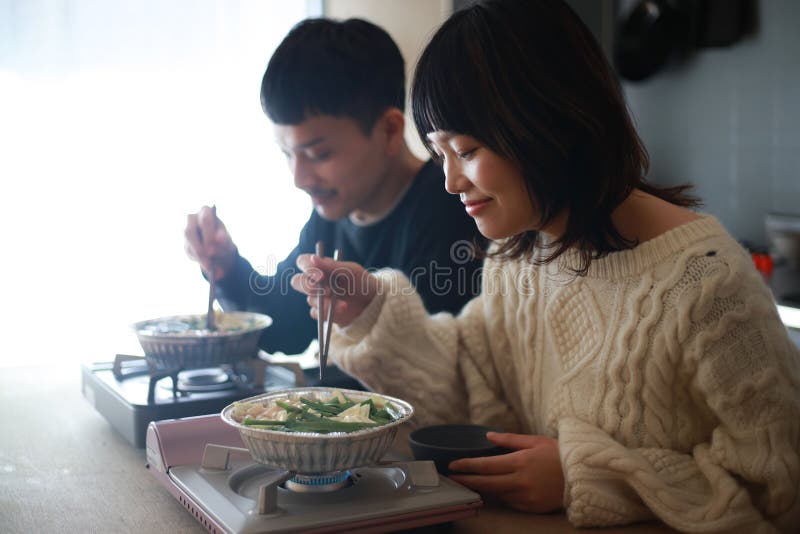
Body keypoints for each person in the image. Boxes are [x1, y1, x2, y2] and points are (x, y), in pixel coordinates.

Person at [290, 0, 800, 531]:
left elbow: (779, 491)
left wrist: (589, 477)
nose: (451, 182)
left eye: (467, 150)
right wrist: (369, 311)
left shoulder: (705, 282)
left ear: (545, 120)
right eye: (441, 155)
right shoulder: (521, 255)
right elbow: (472, 388)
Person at [184, 18, 485, 388]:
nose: (299, 178)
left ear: (390, 131)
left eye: (319, 154)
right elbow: (283, 327)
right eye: (287, 154)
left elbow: (440, 377)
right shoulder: (331, 216)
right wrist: (226, 266)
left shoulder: (454, 210)